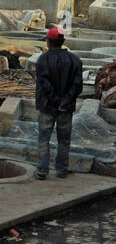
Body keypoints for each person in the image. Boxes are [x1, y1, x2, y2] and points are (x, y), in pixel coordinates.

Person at [35, 27, 84, 179]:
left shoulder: (43, 59)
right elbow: (77, 85)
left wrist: (56, 101)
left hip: (47, 106)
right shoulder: (75, 60)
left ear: (49, 42)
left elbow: (44, 84)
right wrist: (64, 101)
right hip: (66, 108)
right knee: (64, 141)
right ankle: (62, 170)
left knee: (44, 139)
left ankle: (42, 171)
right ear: (62, 41)